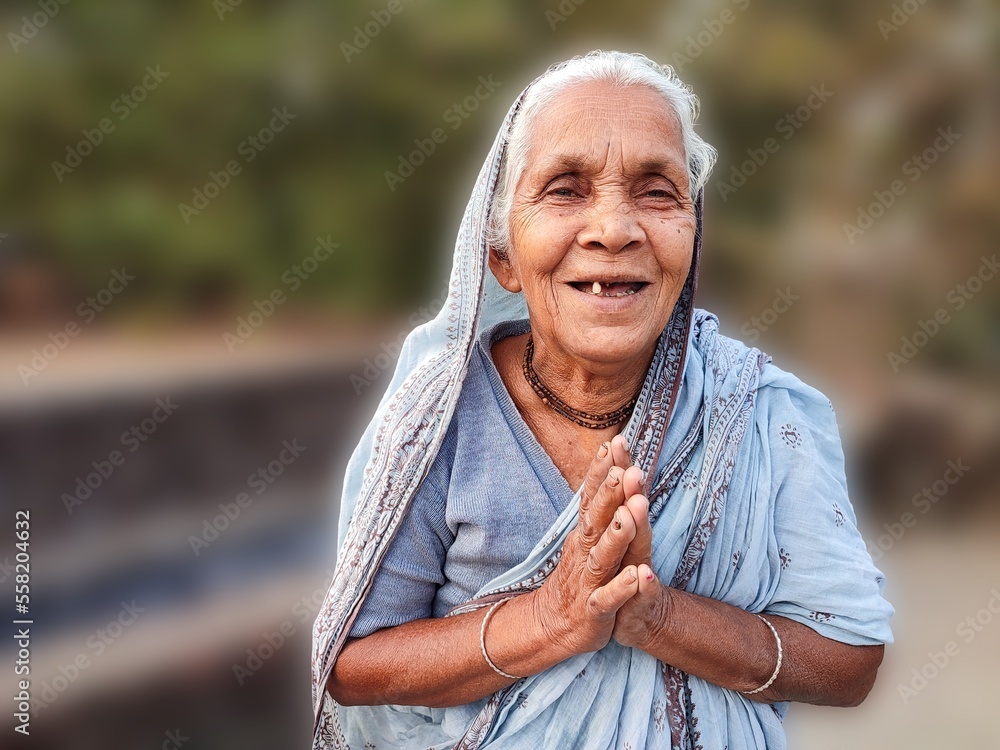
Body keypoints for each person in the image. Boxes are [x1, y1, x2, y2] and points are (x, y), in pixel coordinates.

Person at [311, 51, 893, 749]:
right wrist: (552, 620)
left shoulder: (761, 412)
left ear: (691, 236)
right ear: (501, 255)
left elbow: (848, 658)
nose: (614, 229)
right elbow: (352, 663)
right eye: (565, 189)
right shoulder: (440, 419)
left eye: (656, 192)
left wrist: (660, 620)